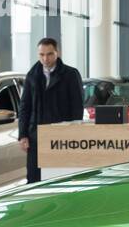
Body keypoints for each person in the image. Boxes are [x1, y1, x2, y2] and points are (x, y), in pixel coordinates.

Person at [18, 37, 84, 183]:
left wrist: (74, 135)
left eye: (49, 54)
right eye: (41, 55)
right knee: (34, 179)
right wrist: (23, 135)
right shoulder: (32, 75)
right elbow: (24, 107)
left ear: (57, 53)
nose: (45, 59)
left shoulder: (71, 74)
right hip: (36, 136)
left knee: (59, 178)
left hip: (61, 137)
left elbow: (77, 107)